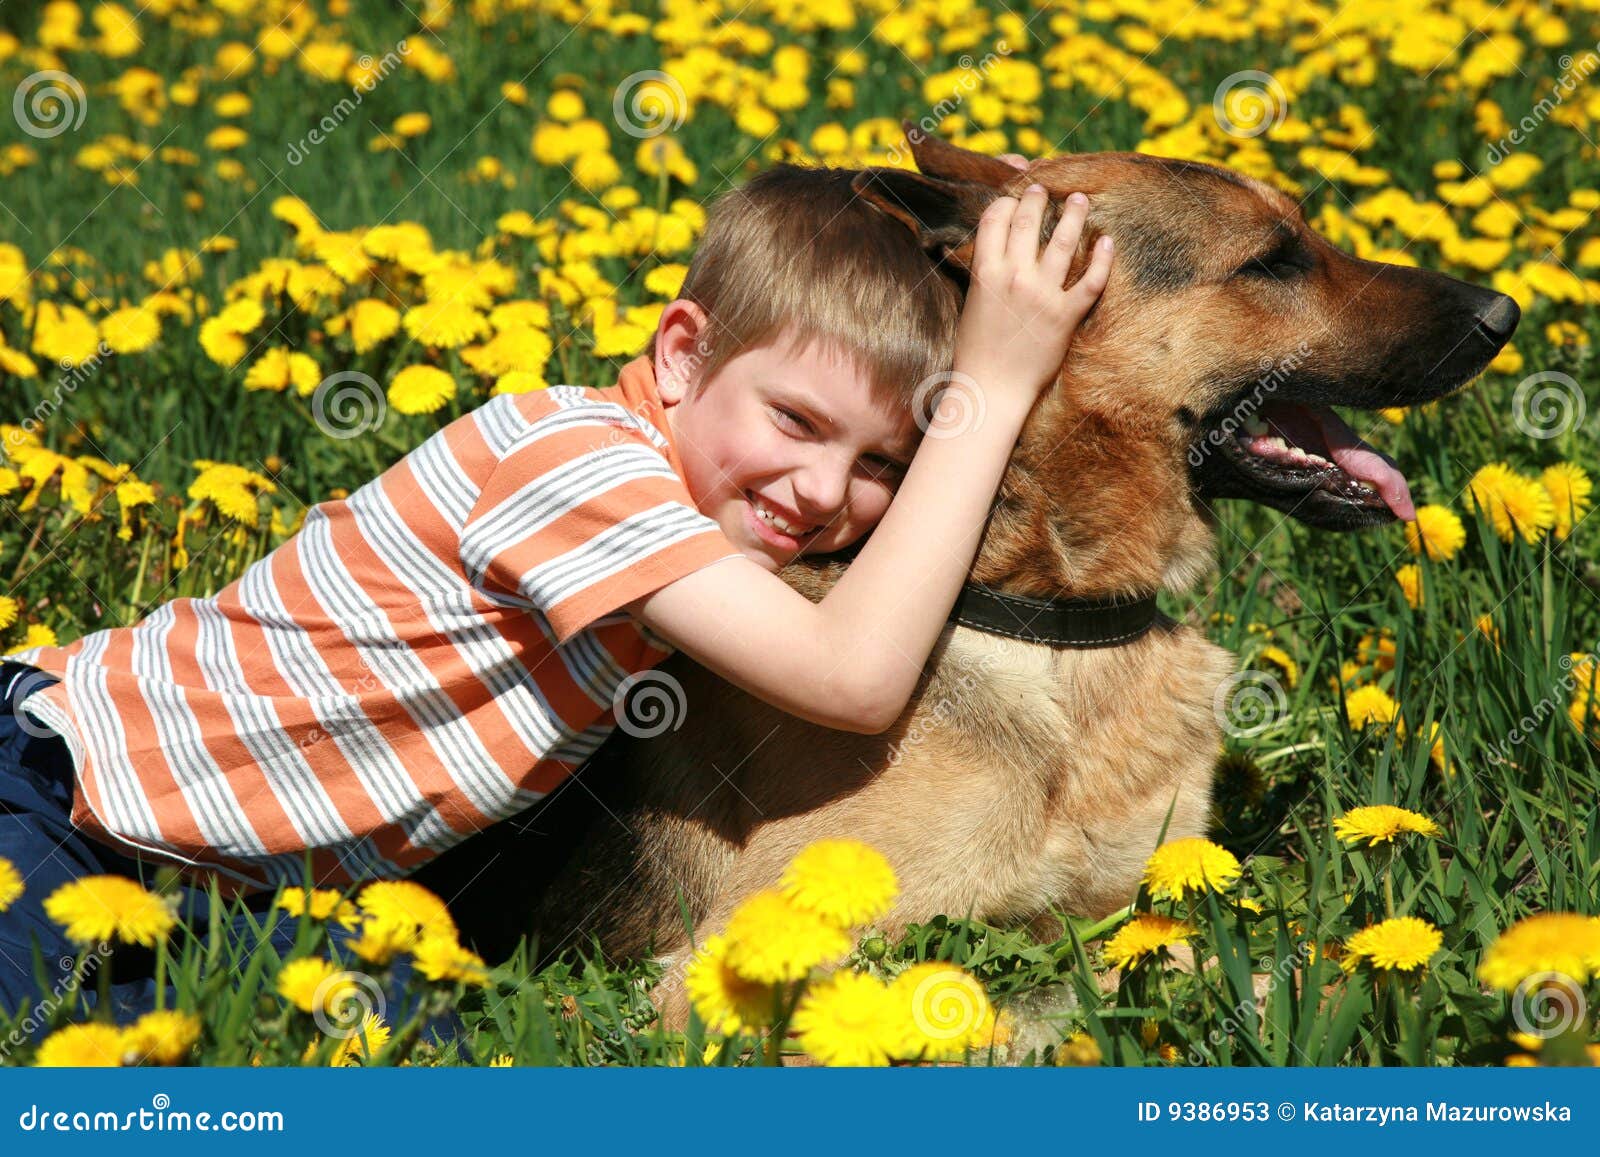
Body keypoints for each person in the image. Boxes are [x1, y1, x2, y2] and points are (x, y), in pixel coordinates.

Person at [0, 161, 1112, 1033]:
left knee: (398, 1032)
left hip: (235, 886)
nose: (824, 490)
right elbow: (851, 676)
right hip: (66, 798)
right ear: (680, 354)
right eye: (796, 421)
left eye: (883, 465)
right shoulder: (573, 466)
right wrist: (995, 381)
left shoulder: (676, 500)